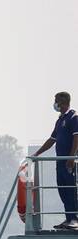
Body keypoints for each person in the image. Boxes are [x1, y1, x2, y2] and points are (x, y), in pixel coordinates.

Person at [35, 91, 78, 229]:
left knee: (70, 189)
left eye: (56, 101)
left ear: (63, 102)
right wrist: (37, 153)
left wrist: (71, 156)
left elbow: (76, 137)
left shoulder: (73, 117)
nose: (55, 104)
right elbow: (52, 140)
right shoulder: (60, 120)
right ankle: (69, 218)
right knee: (62, 190)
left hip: (69, 161)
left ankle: (74, 219)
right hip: (59, 161)